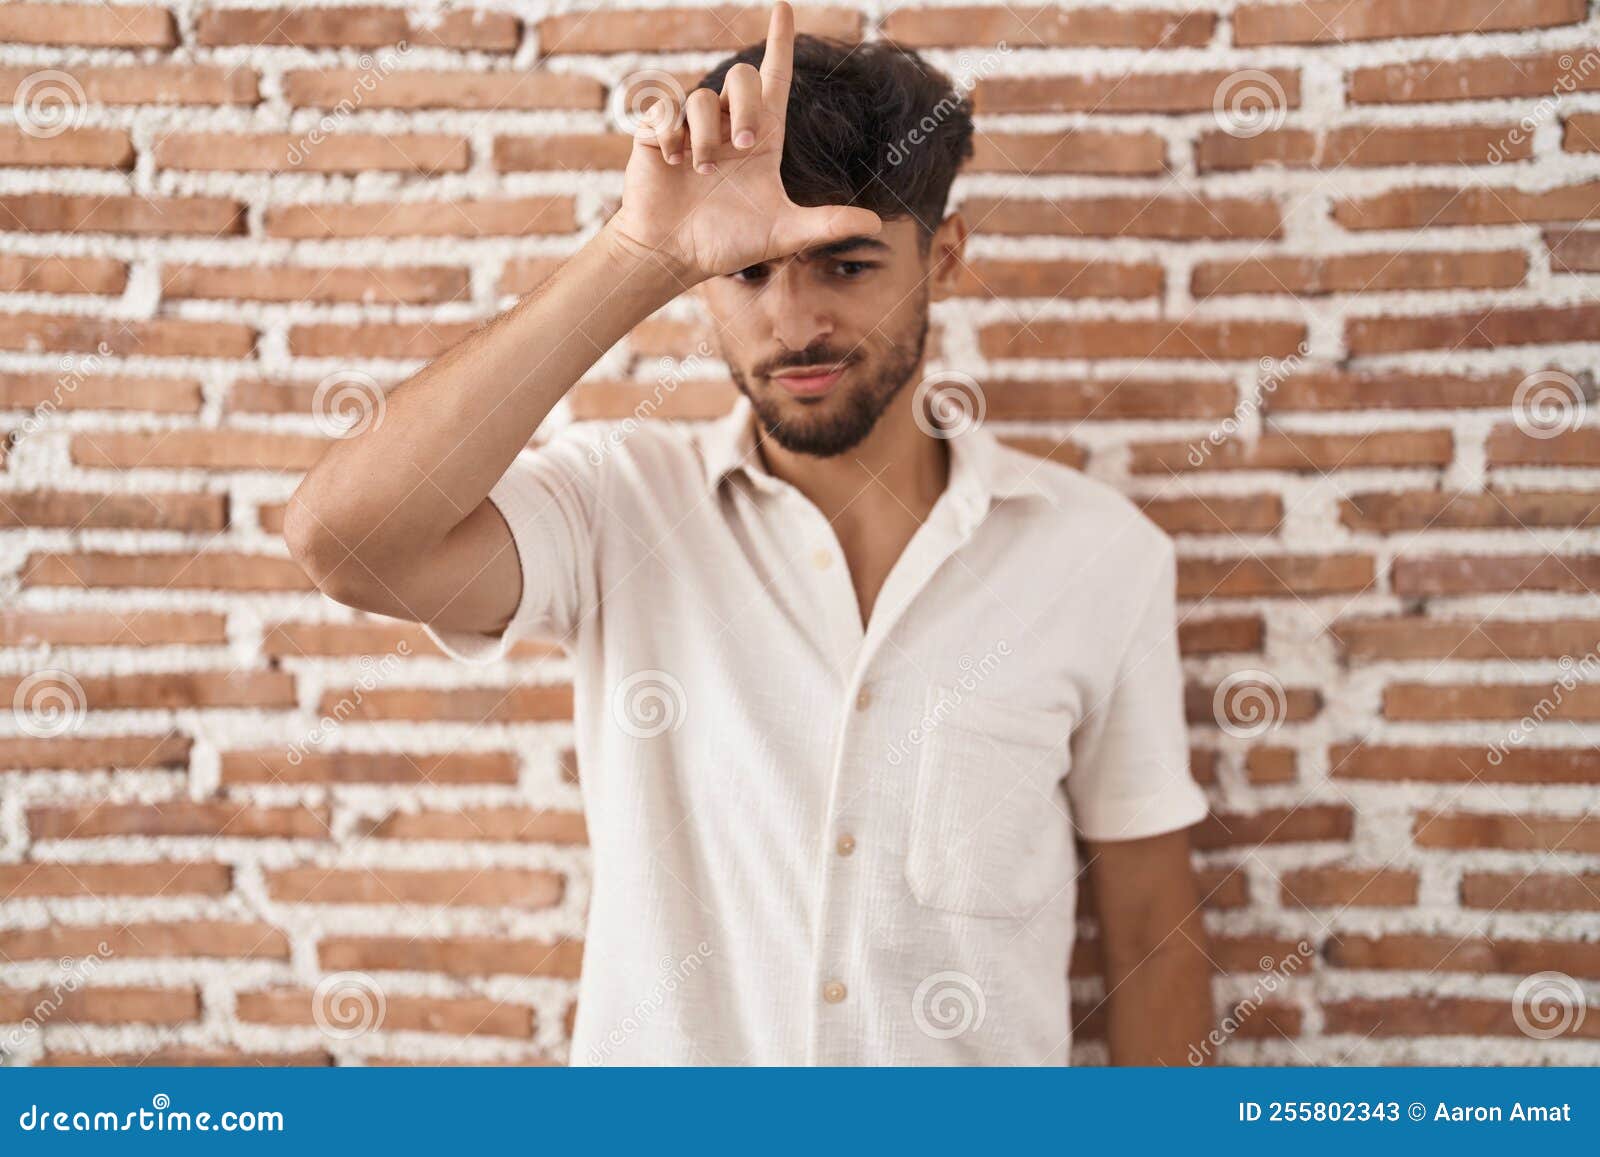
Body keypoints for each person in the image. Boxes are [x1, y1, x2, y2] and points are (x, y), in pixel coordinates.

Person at [286, 3, 1214, 1066]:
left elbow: (1148, 932)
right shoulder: (616, 504)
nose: (793, 323)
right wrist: (641, 251)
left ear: (944, 257)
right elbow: (343, 540)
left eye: (845, 265)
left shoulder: (1099, 556)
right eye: (747, 272)